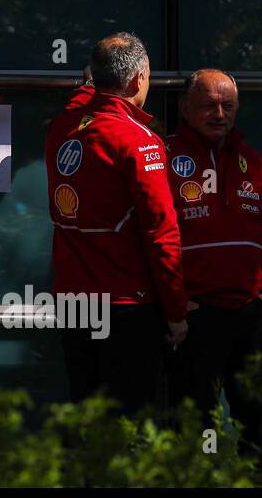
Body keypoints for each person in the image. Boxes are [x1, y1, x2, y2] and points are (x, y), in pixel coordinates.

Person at [45, 32, 188, 413]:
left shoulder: (63, 127)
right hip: (128, 307)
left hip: (74, 303)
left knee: (88, 416)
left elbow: (80, 103)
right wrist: (176, 312)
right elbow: (162, 234)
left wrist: (88, 86)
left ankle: (91, 476)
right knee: (132, 425)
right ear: (139, 79)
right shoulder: (139, 141)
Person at [163, 69, 262, 451]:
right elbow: (149, 238)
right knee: (195, 430)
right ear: (185, 109)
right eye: (208, 106)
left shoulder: (253, 159)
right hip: (195, 318)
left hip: (251, 315)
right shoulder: (163, 158)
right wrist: (177, 305)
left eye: (227, 106)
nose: (219, 114)